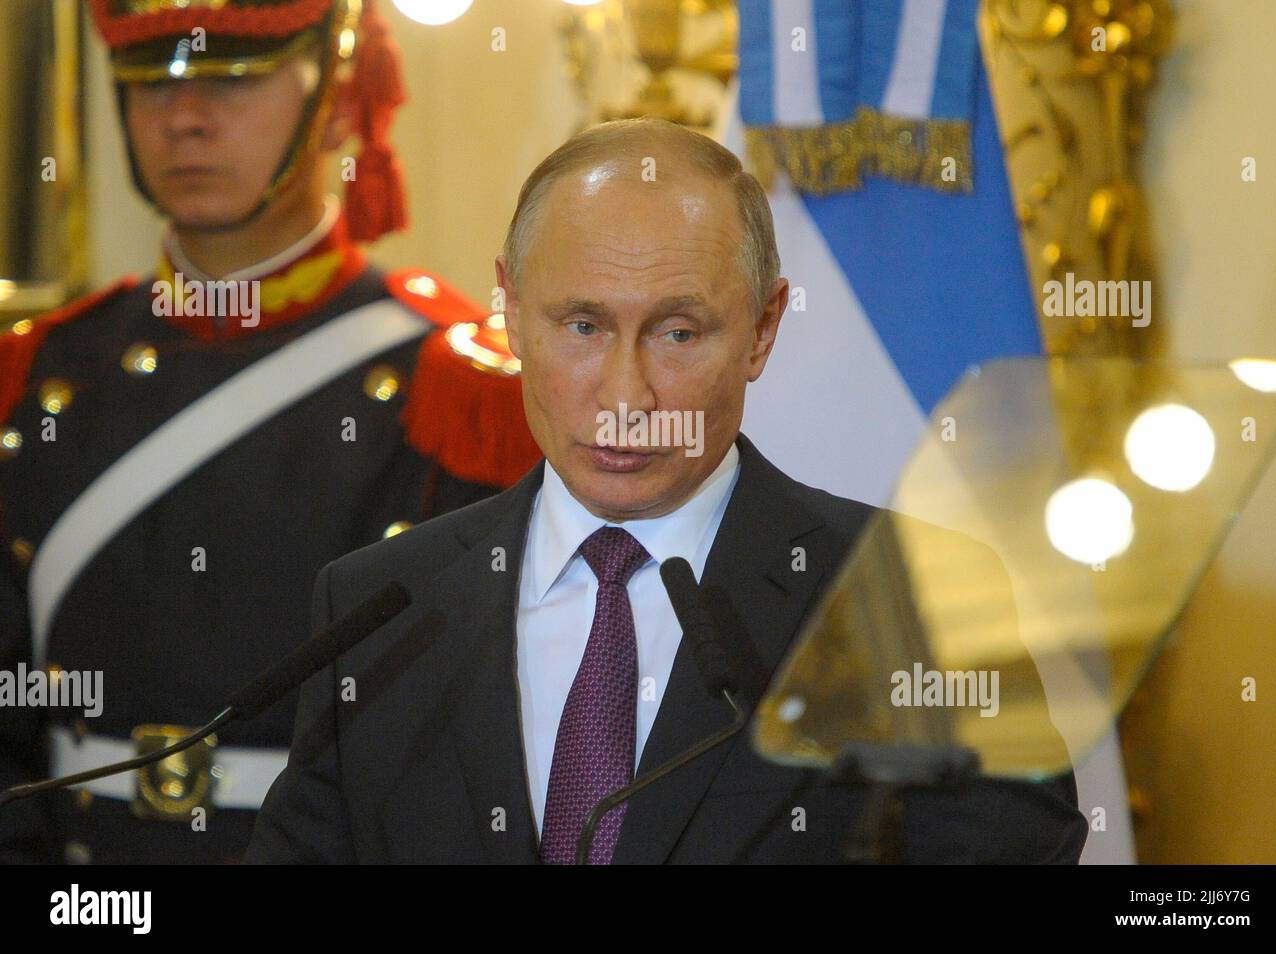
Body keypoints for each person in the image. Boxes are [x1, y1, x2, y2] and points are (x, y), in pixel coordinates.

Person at [246, 118, 1088, 864]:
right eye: (582, 326)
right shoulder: (378, 613)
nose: (626, 396)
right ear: (507, 307)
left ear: (762, 329)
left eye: (678, 332)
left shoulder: (913, 602)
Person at [0, 0, 539, 864]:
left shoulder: (460, 388)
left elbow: (480, 751)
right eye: (151, 83)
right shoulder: (38, 376)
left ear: (336, 98)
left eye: (235, 78)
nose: (184, 117)